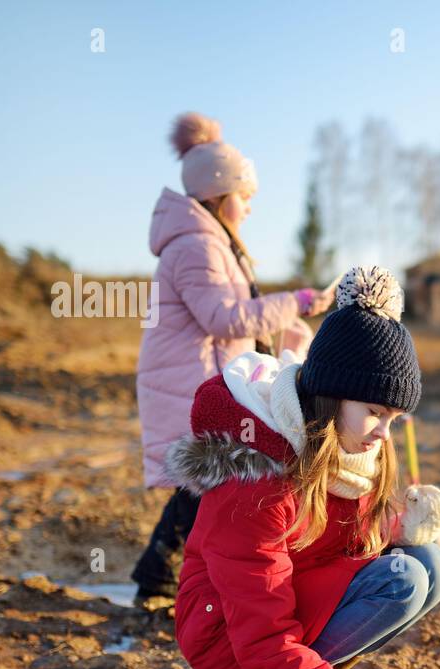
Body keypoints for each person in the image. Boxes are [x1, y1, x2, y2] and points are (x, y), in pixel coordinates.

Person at [164, 266, 440, 669]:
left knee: (430, 564)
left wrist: (400, 525)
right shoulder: (256, 482)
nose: (383, 434)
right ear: (332, 395)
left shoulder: (344, 453)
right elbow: (264, 638)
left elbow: (332, 545)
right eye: (375, 413)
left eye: (394, 420)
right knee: (403, 580)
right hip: (228, 634)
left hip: (289, 593)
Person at [131, 112, 334, 606]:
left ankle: (162, 582)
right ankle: (162, 583)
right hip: (190, 385)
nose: (248, 208)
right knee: (203, 486)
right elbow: (224, 317)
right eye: (245, 197)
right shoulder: (197, 246)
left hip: (200, 379)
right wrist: (301, 300)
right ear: (218, 197)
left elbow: (234, 321)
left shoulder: (211, 244)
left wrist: (283, 327)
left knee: (201, 486)